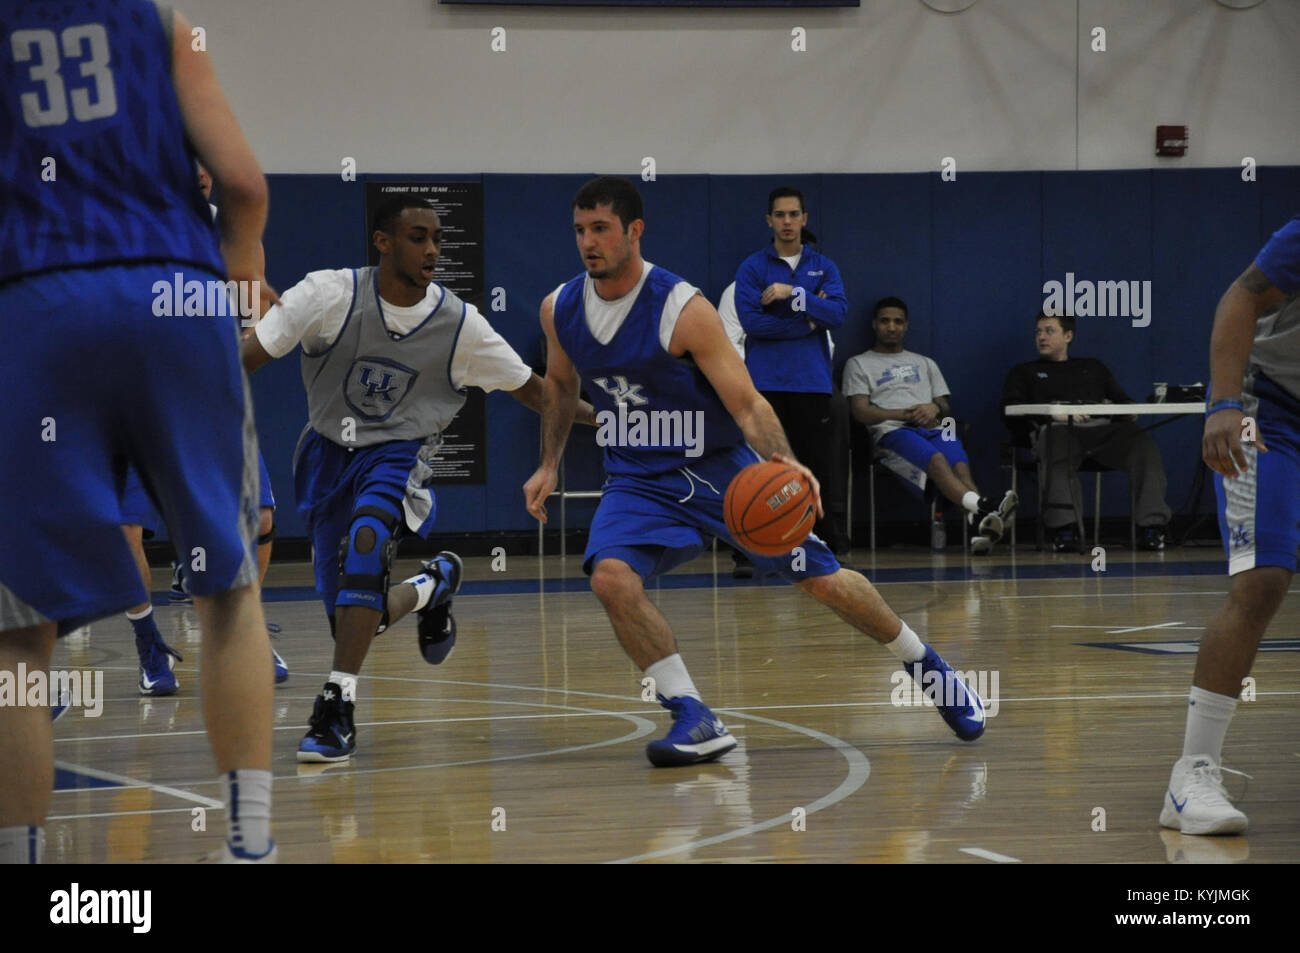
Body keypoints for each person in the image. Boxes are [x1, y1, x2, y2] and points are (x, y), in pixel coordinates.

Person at [525, 177, 988, 768]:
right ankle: (695, 717)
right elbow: (562, 387)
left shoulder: (680, 308)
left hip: (723, 475)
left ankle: (928, 664)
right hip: (638, 479)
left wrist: (786, 463)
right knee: (611, 579)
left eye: (601, 229)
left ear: (633, 231)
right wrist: (547, 465)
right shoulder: (559, 307)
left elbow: (746, 403)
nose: (588, 242)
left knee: (821, 580)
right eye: (580, 231)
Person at [1, 0, 277, 862]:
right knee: (229, 591)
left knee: (17, 635)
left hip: (33, 300)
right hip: (176, 291)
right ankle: (249, 843)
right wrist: (240, 271)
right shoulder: (161, 19)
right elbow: (241, 182)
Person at [241, 195, 595, 763]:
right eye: (417, 238)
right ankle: (435, 583)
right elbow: (246, 357)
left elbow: (539, 392)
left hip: (396, 455)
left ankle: (336, 707)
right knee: (353, 618)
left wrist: (609, 418)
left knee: (368, 542)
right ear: (383, 242)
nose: (432, 250)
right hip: (326, 455)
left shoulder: (460, 325)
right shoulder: (328, 295)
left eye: (436, 239)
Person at [1159, 216, 1300, 835]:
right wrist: (1223, 404)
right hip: (1268, 409)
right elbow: (1242, 294)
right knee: (1262, 580)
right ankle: (1192, 774)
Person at [844, 296, 1017, 554]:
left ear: (906, 326)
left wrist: (933, 407)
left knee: (959, 461)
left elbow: (945, 405)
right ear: (874, 325)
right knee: (936, 460)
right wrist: (905, 413)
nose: (891, 327)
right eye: (885, 321)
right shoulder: (858, 363)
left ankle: (978, 521)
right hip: (892, 429)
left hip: (938, 425)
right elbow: (860, 412)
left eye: (898, 322)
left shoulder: (925, 362)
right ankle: (984, 507)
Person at [734, 189, 851, 554]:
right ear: (769, 220)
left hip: (811, 384)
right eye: (780, 215)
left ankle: (818, 544)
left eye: (793, 215)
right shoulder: (752, 267)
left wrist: (792, 294)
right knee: (760, 467)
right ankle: (748, 549)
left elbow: (838, 314)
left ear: (804, 219)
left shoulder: (824, 267)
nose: (787, 222)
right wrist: (809, 321)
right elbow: (754, 324)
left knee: (813, 467)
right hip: (764, 384)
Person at [1000, 312, 1172, 551]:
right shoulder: (1023, 372)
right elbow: (1010, 410)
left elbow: (1124, 402)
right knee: (1054, 439)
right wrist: (1053, 414)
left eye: (1050, 331)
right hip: (1058, 431)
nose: (1041, 337)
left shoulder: (1092, 367)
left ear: (1068, 336)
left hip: (1101, 432)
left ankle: (1152, 527)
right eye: (1038, 332)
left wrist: (1119, 409)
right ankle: (1065, 530)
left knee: (1141, 442)